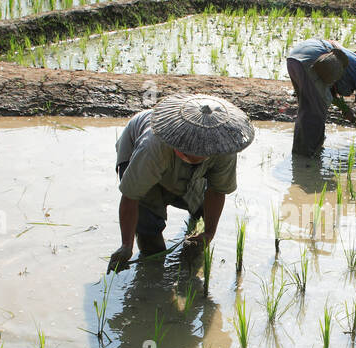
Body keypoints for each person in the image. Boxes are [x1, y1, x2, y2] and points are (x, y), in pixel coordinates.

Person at [107, 94, 255, 272]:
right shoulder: (152, 147)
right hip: (136, 147)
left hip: (182, 164)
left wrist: (208, 234)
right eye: (189, 153)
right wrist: (126, 245)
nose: (194, 155)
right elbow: (131, 196)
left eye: (200, 155)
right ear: (178, 147)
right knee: (149, 230)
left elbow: (217, 191)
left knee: (200, 208)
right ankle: (152, 269)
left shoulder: (224, 148)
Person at [285, 38, 356, 157]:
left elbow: (328, 92)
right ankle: (307, 160)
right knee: (315, 113)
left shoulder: (352, 62)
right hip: (311, 61)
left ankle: (301, 154)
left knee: (307, 109)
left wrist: (345, 109)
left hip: (295, 58)